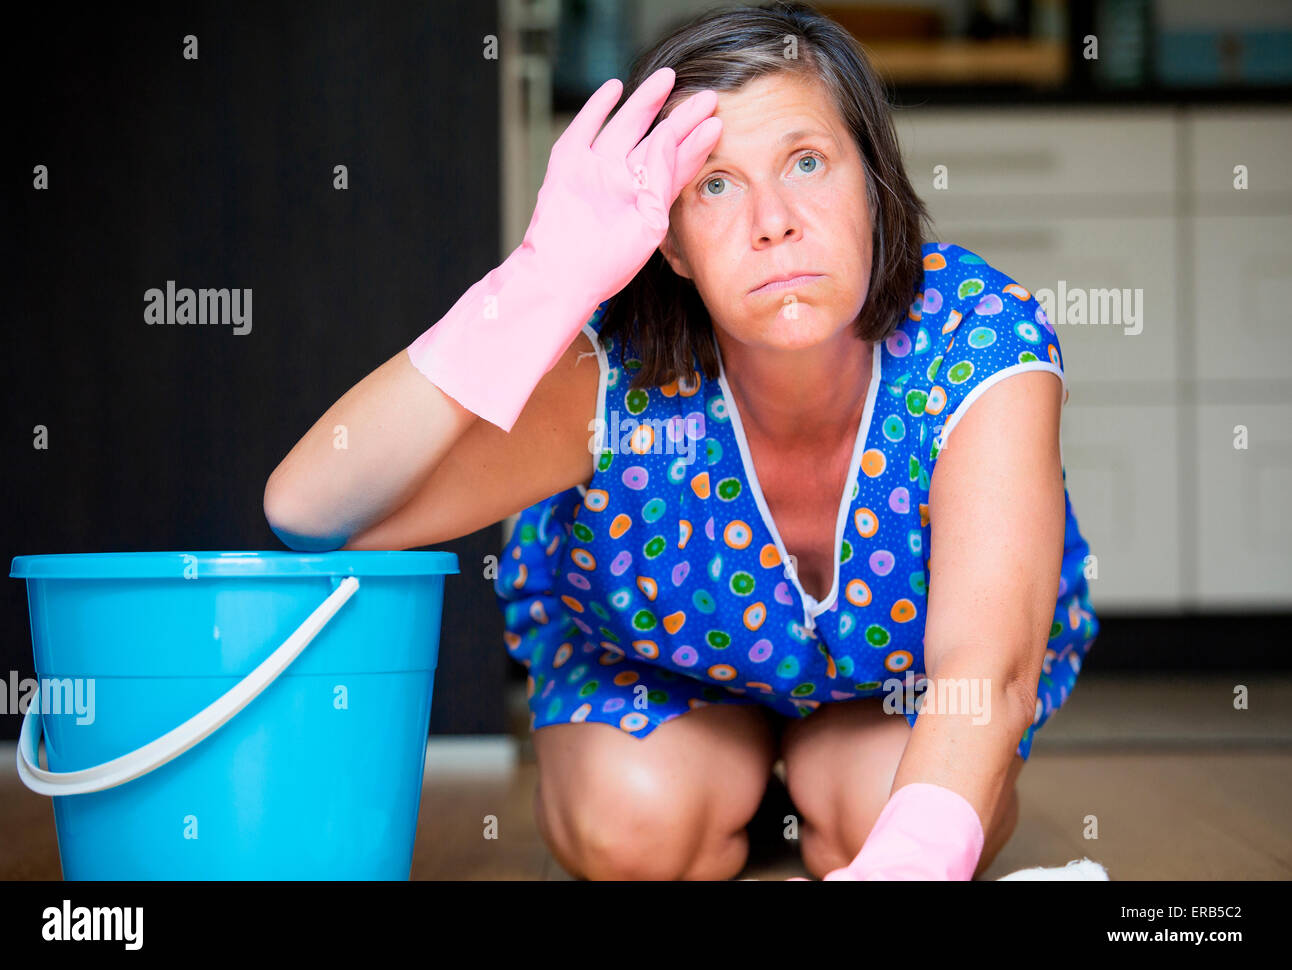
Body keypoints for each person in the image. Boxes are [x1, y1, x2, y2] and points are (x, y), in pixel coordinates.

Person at [264, 1, 1099, 881]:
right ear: (669, 242)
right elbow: (310, 512)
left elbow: (986, 669)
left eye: (807, 162)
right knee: (637, 831)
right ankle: (723, 782)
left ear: (874, 182)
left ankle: (839, 798)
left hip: (889, 698)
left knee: (876, 820)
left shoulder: (978, 343)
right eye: (713, 184)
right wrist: (538, 283)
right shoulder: (615, 377)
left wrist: (906, 864)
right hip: (662, 688)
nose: (771, 220)